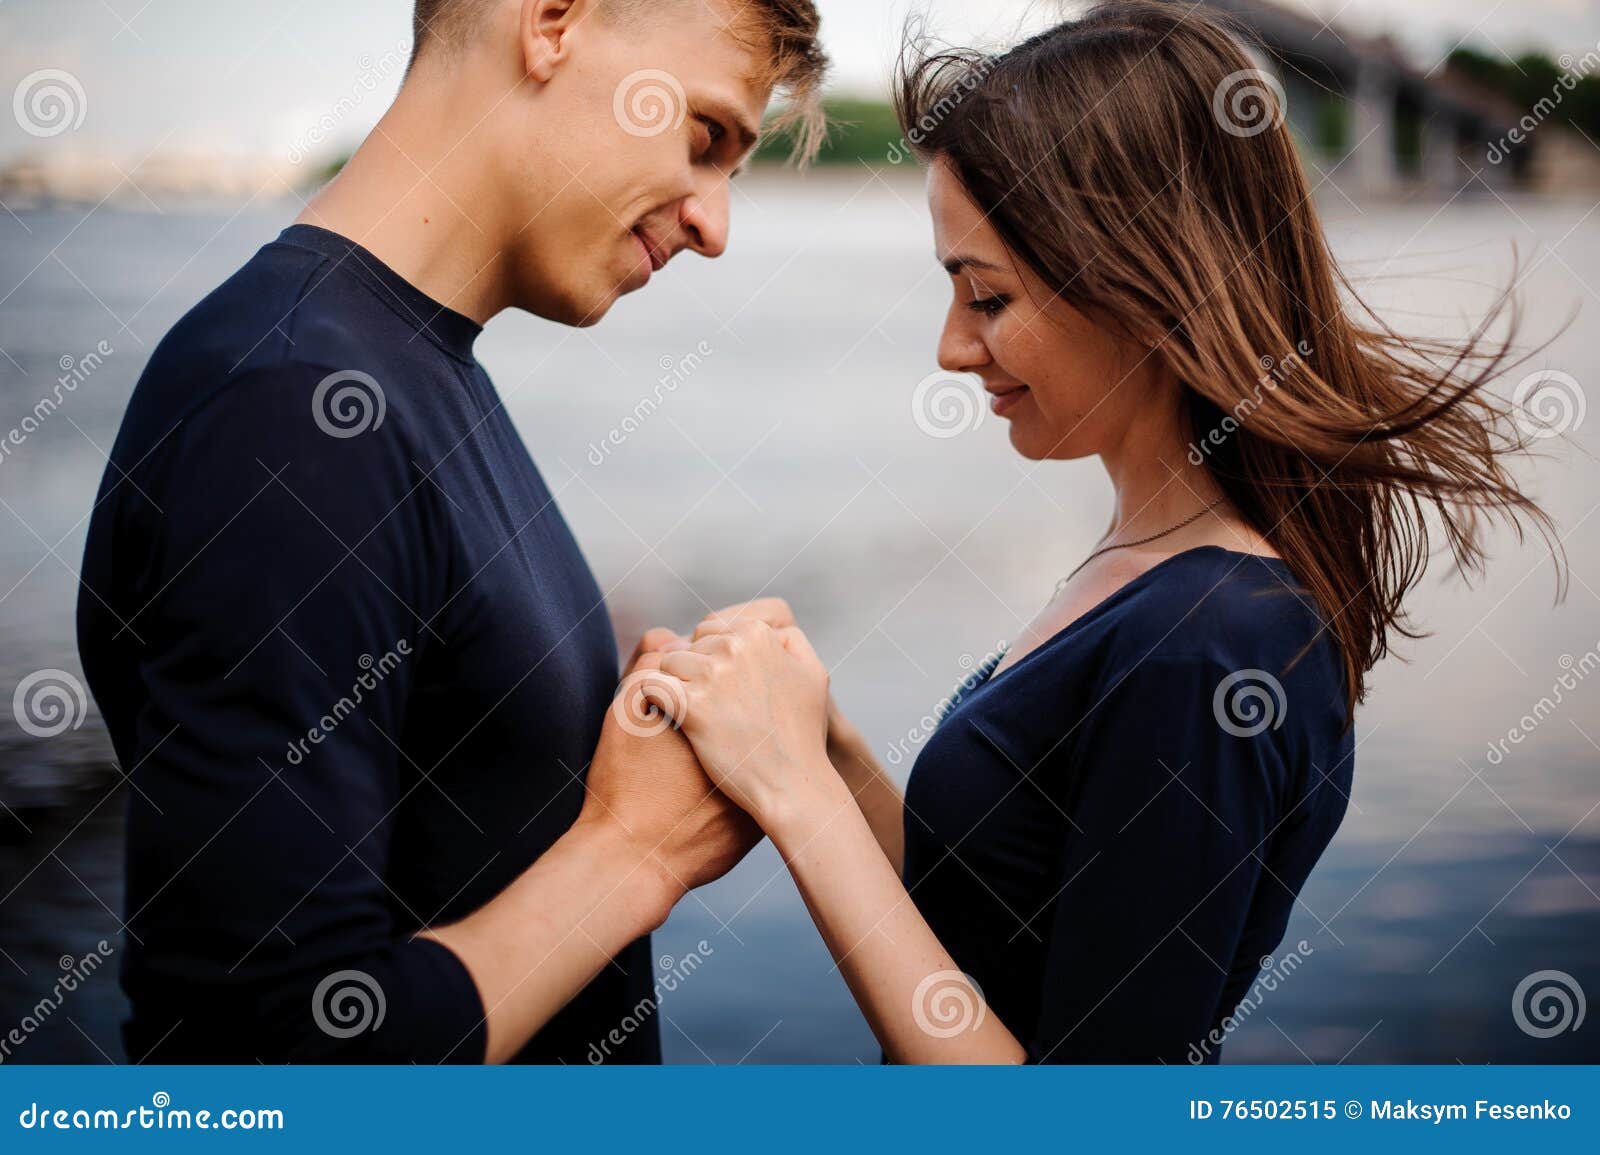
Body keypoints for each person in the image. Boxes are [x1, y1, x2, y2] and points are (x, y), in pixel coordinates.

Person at [638, 1, 1559, 1063]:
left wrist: (794, 797)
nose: (952, 348)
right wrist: (822, 748)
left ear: (1142, 284)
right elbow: (987, 928)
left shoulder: (1215, 642)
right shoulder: (1151, 566)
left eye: (988, 298)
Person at [75, 0, 826, 1064]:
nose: (715, 226)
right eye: (704, 138)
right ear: (552, 21)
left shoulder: (406, 373)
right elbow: (266, 1062)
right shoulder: (296, 409)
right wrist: (637, 852)